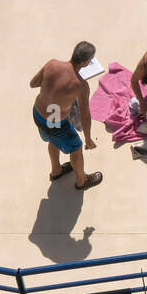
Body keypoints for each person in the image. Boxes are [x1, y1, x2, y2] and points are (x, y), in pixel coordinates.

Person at [31, 41, 102, 189]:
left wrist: (54, 87)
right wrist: (88, 139)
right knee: (76, 148)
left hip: (38, 113)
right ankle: (82, 181)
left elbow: (33, 83)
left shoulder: (52, 64)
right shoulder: (81, 86)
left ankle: (56, 171)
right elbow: (85, 115)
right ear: (84, 63)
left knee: (53, 139)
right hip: (53, 120)